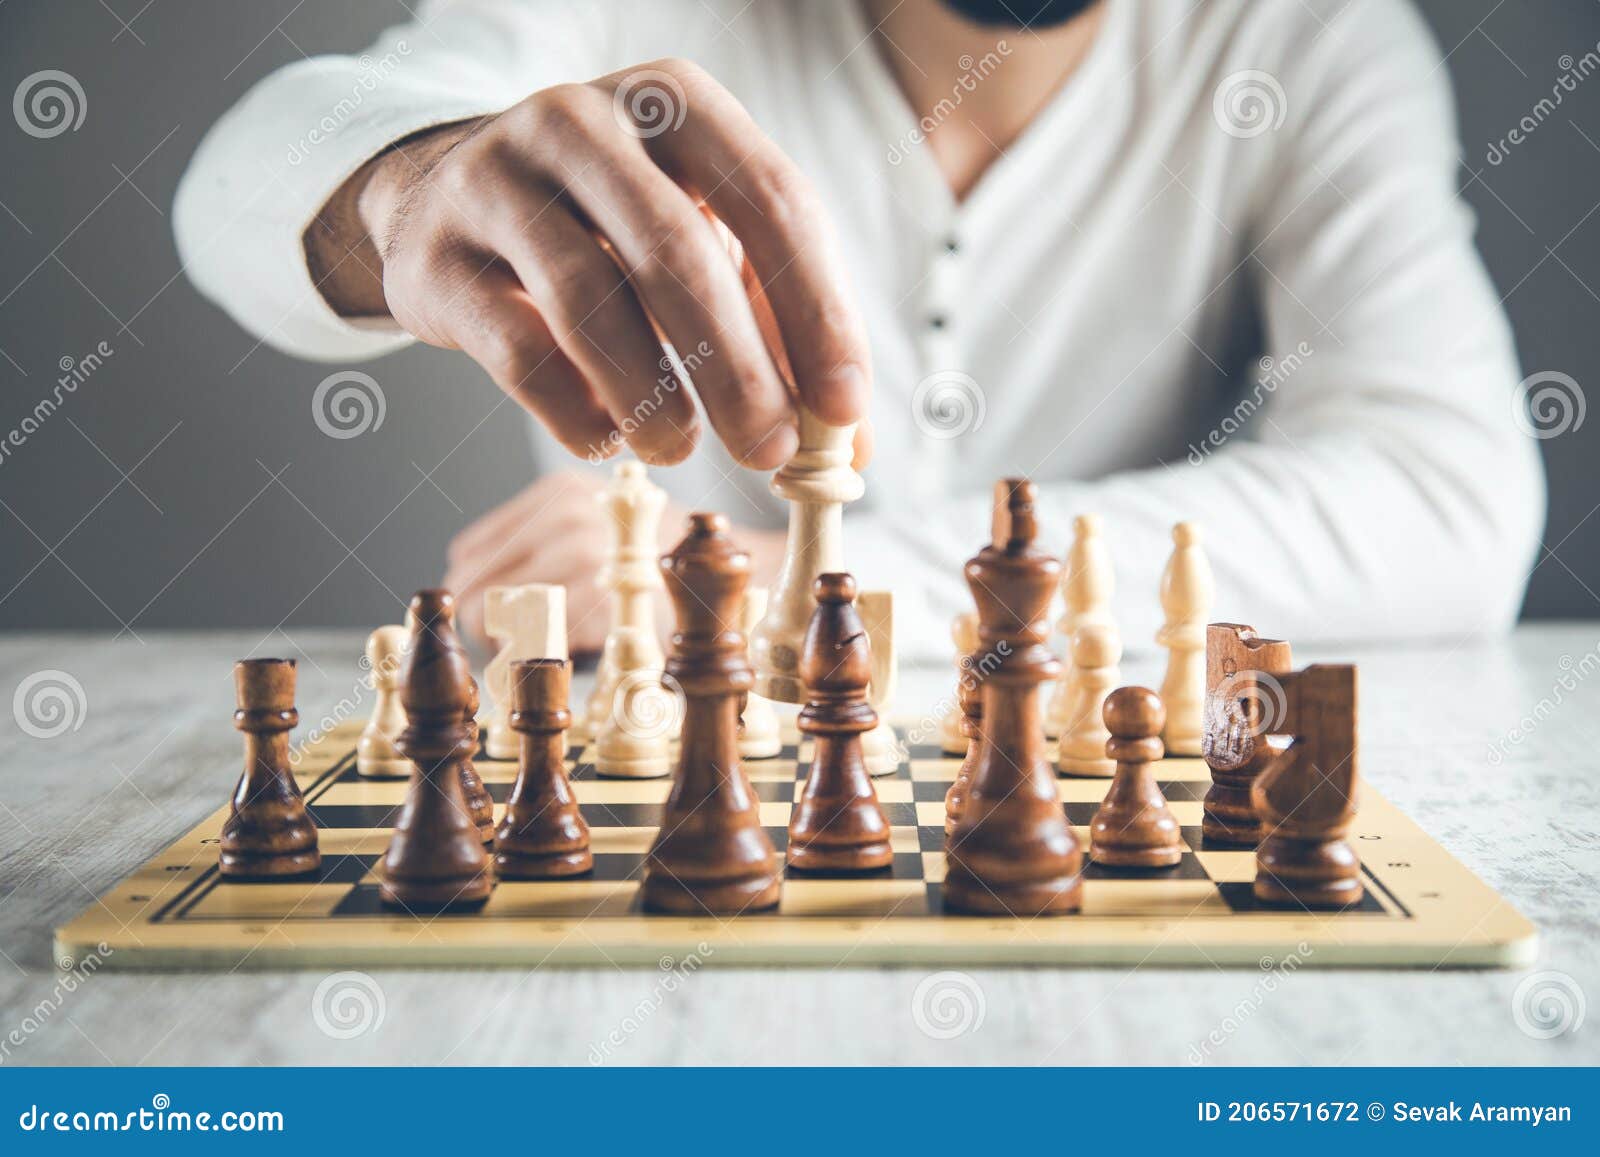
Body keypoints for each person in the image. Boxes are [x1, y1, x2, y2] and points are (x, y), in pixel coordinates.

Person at [174, 0, 1545, 657]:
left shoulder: (1311, 40)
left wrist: (807, 582)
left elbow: (1446, 500)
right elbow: (233, 186)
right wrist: (404, 185)